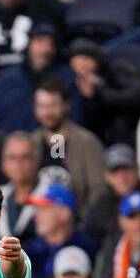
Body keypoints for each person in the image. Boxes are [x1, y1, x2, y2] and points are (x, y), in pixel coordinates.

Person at [31, 75, 106, 214]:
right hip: (37, 218)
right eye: (42, 106)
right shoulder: (31, 143)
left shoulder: (87, 143)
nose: (48, 112)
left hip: (78, 219)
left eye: (53, 105)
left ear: (67, 106)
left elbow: (98, 191)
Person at [23, 183, 96, 278]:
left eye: (43, 209)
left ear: (64, 213)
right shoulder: (27, 252)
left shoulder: (88, 248)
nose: (36, 216)